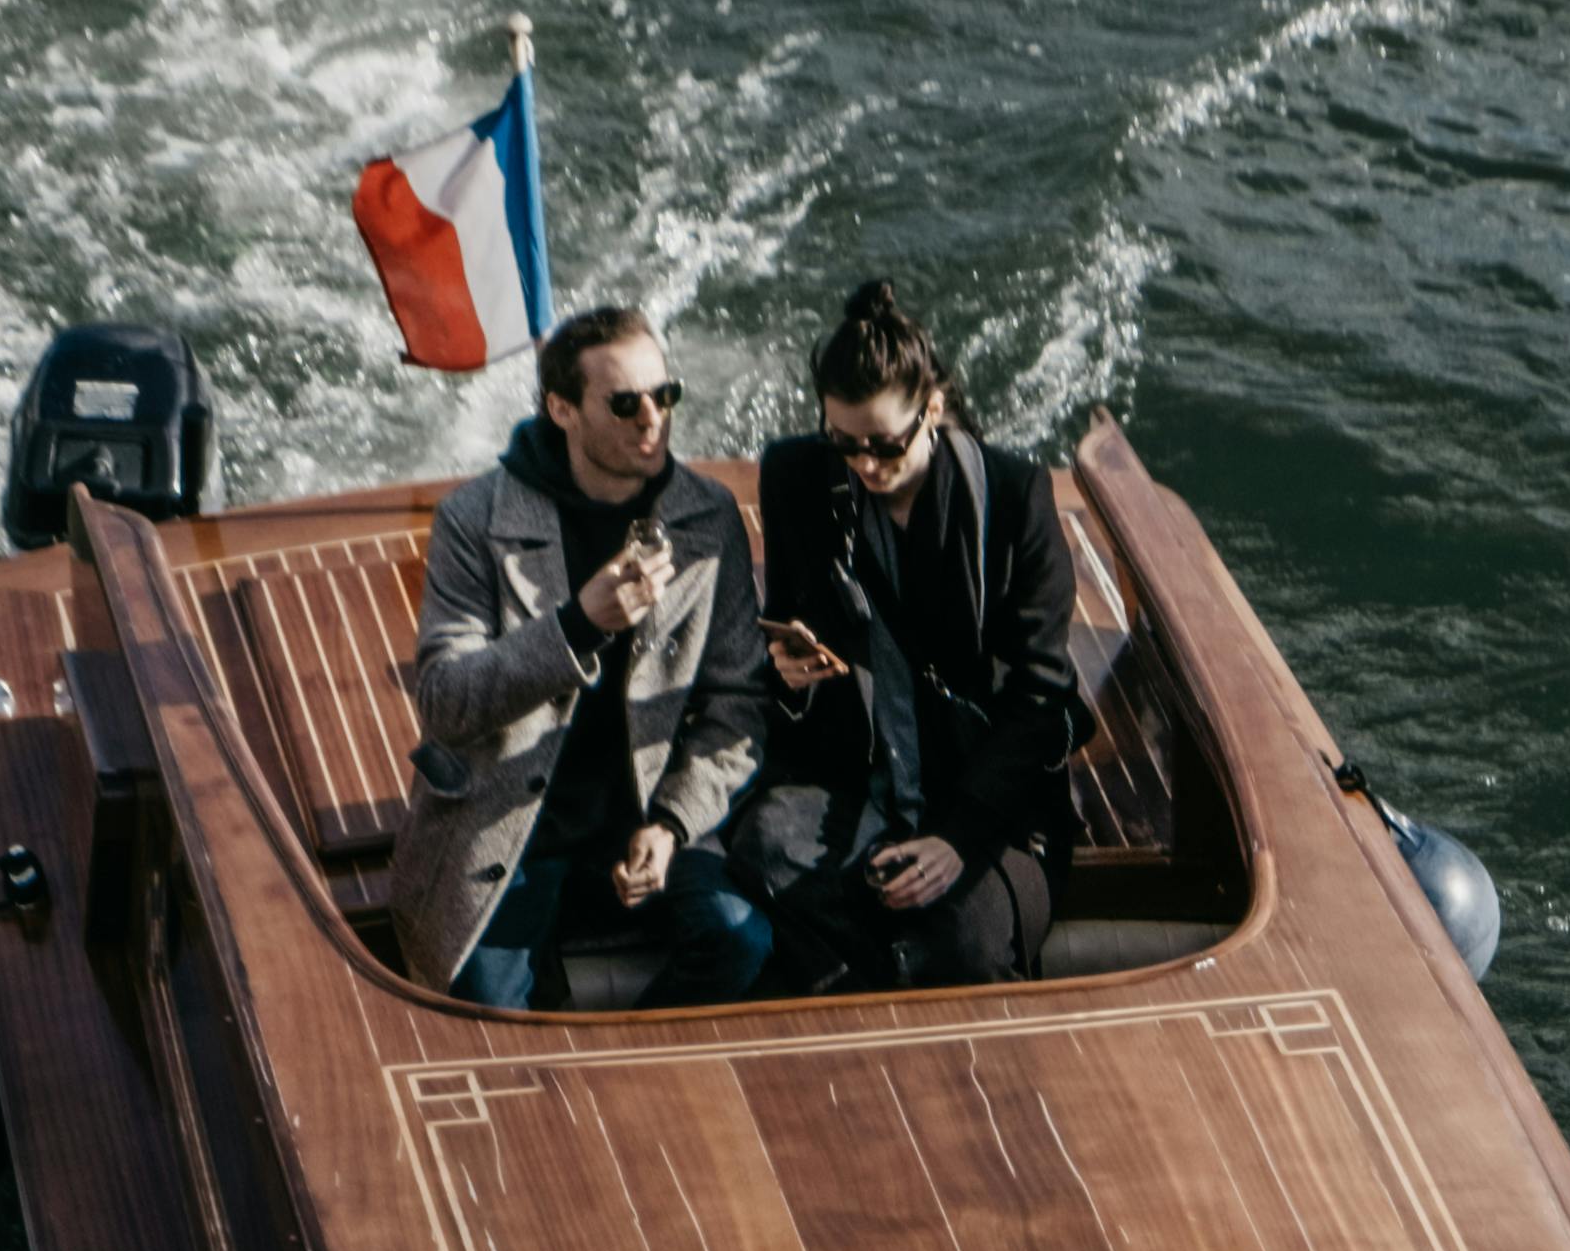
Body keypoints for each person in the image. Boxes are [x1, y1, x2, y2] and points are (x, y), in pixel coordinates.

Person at [391, 302, 771, 1010]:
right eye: (625, 403)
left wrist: (674, 824)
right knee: (480, 1005)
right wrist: (575, 626)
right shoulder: (476, 520)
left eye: (666, 395)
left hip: (643, 820)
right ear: (562, 409)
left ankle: (632, 1059)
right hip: (513, 822)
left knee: (739, 941)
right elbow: (445, 702)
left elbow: (736, 707)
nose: (652, 419)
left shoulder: (707, 516)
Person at [740, 271, 1080, 994]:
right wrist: (787, 675)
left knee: (964, 946)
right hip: (856, 784)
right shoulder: (797, 478)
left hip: (988, 802)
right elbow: (785, 643)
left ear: (932, 410)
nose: (863, 465)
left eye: (885, 446)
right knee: (761, 844)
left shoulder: (1016, 500)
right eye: (844, 444)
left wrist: (959, 841)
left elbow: (1038, 702)